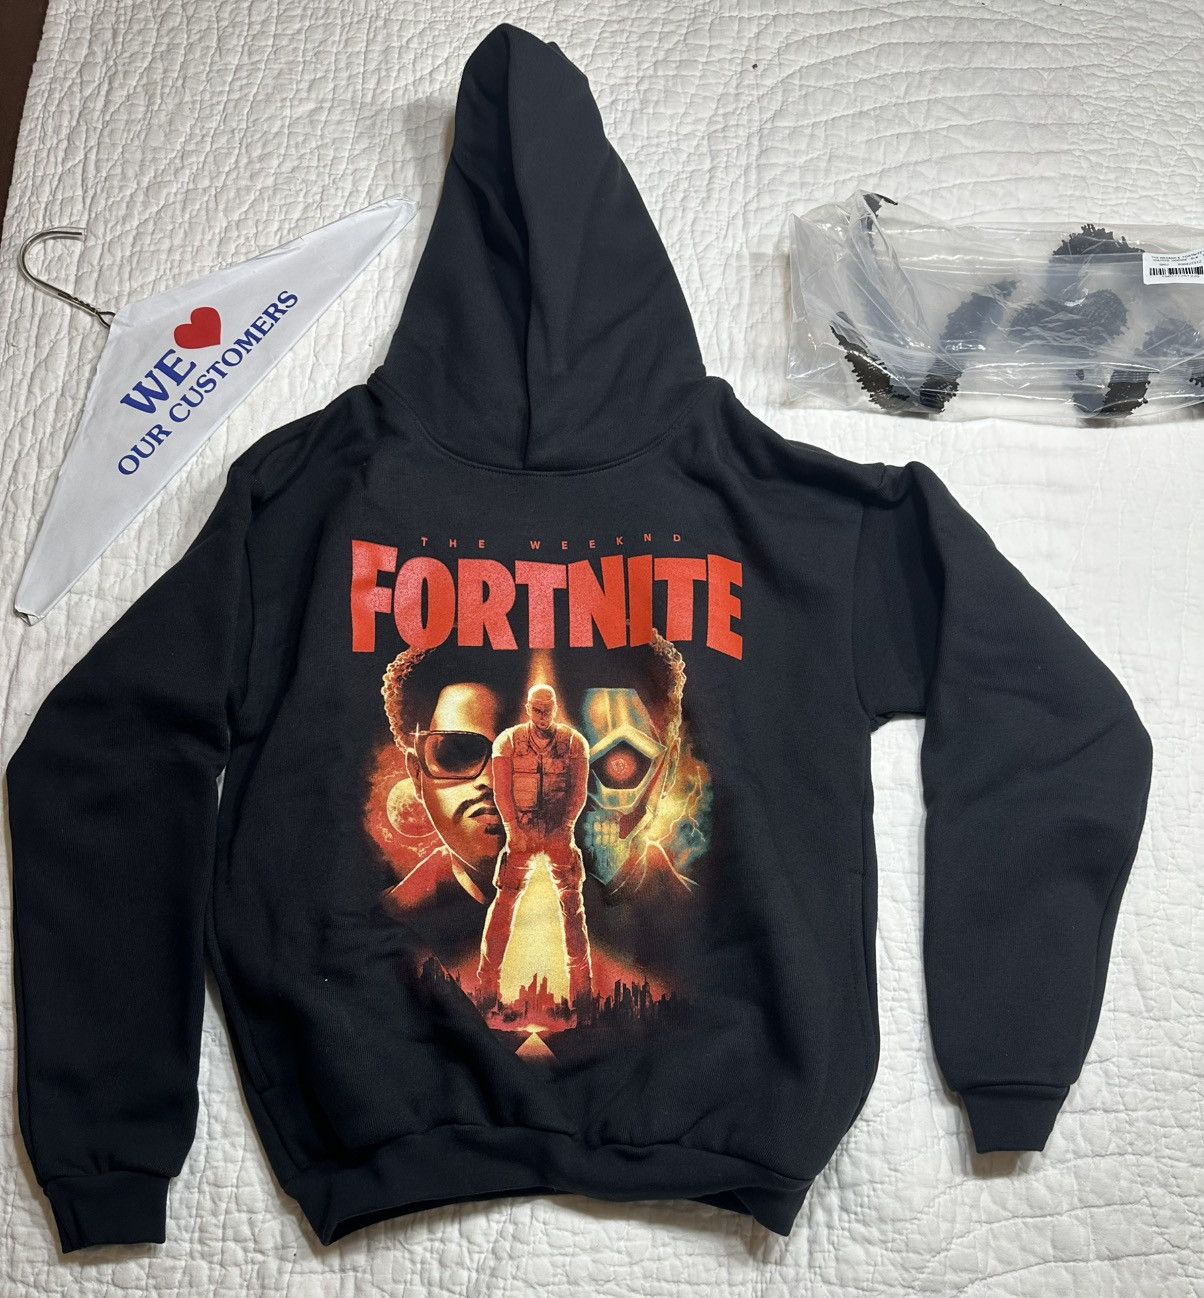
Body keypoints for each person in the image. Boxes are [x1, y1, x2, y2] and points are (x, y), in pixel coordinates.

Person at [476, 684, 593, 1009]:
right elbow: (502, 790)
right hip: (522, 834)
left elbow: (578, 792)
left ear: (554, 708)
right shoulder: (508, 741)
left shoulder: (574, 743)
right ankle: (487, 989)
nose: (543, 716)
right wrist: (513, 829)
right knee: (504, 904)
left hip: (558, 834)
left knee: (573, 909)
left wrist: (565, 828)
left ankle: (583, 995)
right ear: (528, 708)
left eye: (548, 709)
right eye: (537, 709)